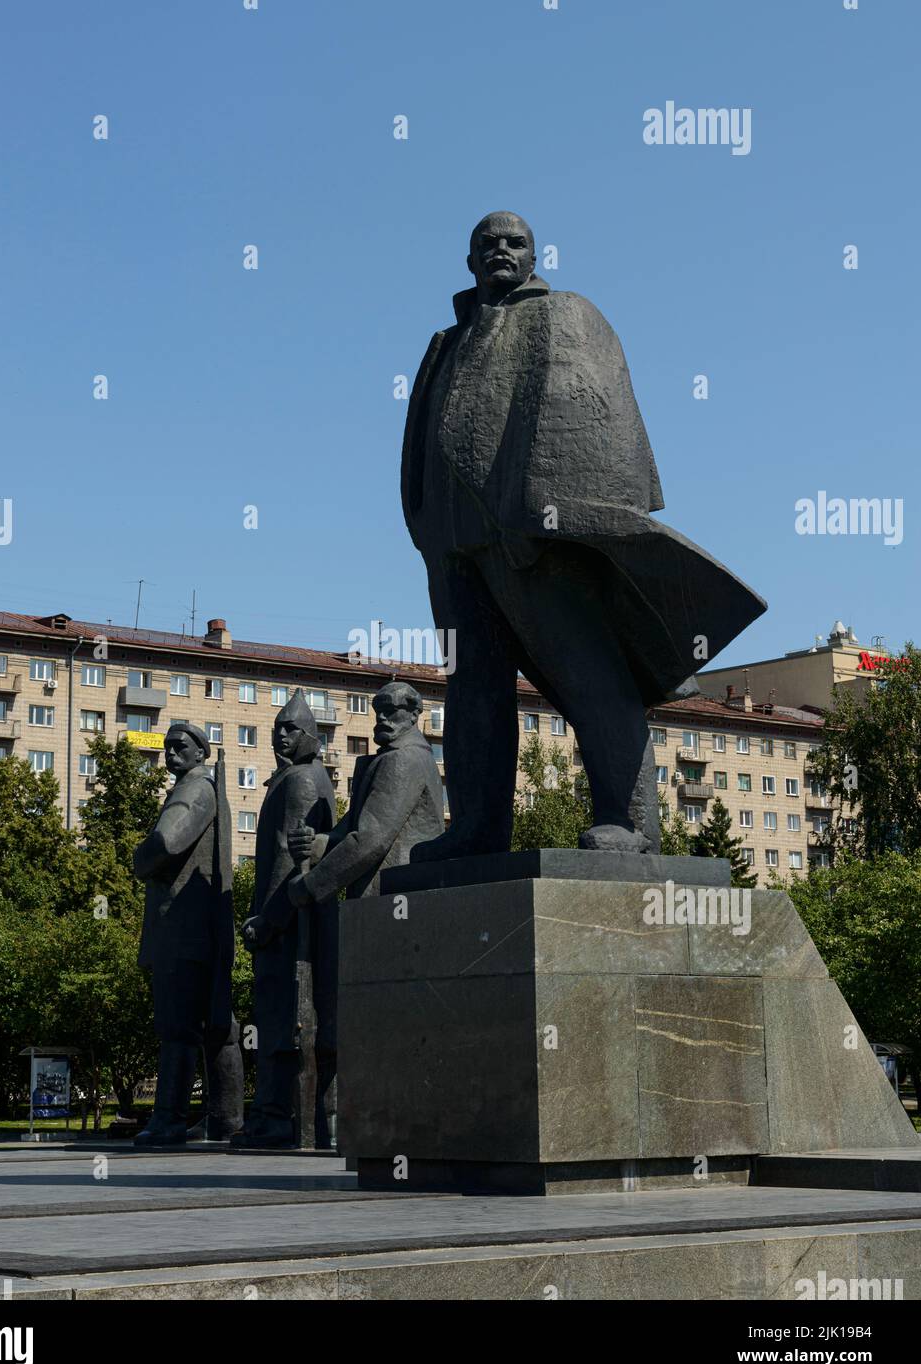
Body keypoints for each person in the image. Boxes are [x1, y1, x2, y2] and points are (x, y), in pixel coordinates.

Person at [401, 211, 766, 860]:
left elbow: (587, 407)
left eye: (515, 243)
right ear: (468, 261)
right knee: (473, 687)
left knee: (586, 670)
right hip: (453, 542)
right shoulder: (447, 339)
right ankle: (477, 831)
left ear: (536, 255)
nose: (501, 253)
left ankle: (630, 825)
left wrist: (545, 509)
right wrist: (429, 524)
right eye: (487, 245)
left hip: (529, 530)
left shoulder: (560, 315)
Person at [235, 690, 338, 1149]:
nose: (280, 735)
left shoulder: (300, 781)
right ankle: (277, 1114)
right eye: (277, 727)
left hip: (289, 925)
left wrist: (269, 920)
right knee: (277, 1017)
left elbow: (288, 859)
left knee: (282, 1020)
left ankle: (280, 1117)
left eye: (290, 729)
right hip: (290, 920)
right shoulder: (295, 777)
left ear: (311, 737)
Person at [133, 722, 243, 1145]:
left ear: (201, 753)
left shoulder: (194, 789)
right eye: (166, 747)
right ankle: (225, 1119)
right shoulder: (204, 788)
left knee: (177, 1025)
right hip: (197, 928)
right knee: (213, 1023)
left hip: (182, 928)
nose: (170, 753)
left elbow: (166, 841)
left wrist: (138, 858)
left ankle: (169, 1120)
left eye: (180, 746)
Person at [286, 681, 443, 906]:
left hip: (391, 896)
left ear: (413, 714)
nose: (381, 717)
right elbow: (354, 825)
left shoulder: (403, 758)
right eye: (378, 711)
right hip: (393, 896)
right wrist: (315, 845)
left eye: (390, 710)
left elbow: (370, 839)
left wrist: (311, 885)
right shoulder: (396, 757)